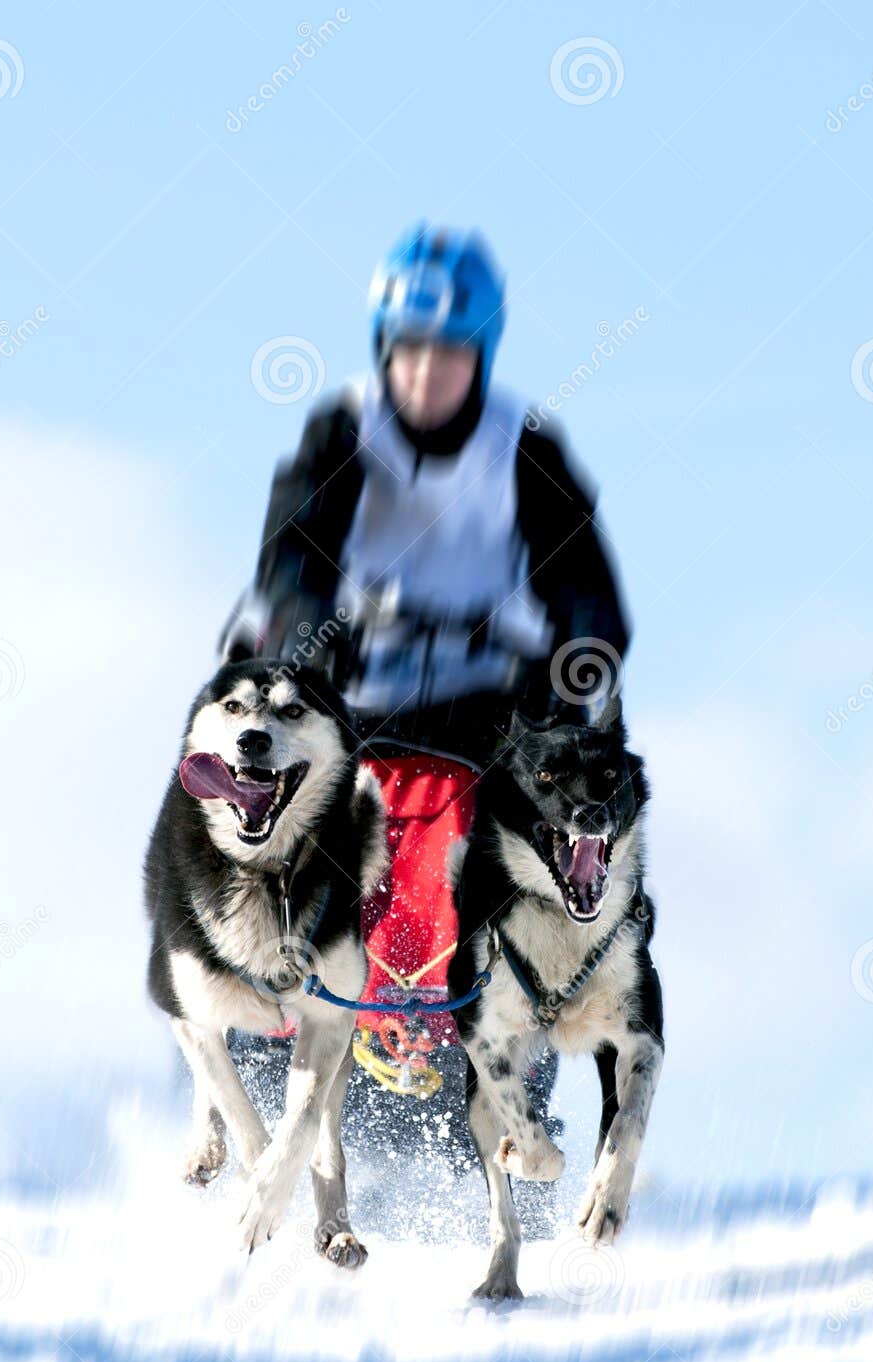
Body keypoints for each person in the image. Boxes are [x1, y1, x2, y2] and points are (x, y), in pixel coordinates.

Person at [219, 224, 632, 1141]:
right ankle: (262, 1016)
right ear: (384, 348)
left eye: (448, 353)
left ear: (480, 356)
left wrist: (579, 661)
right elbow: (294, 556)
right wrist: (299, 641)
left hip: (490, 706)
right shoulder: (342, 432)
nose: (425, 373)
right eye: (408, 350)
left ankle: (515, 1046)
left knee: (557, 829)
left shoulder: (522, 448)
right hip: (353, 687)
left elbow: (585, 587)